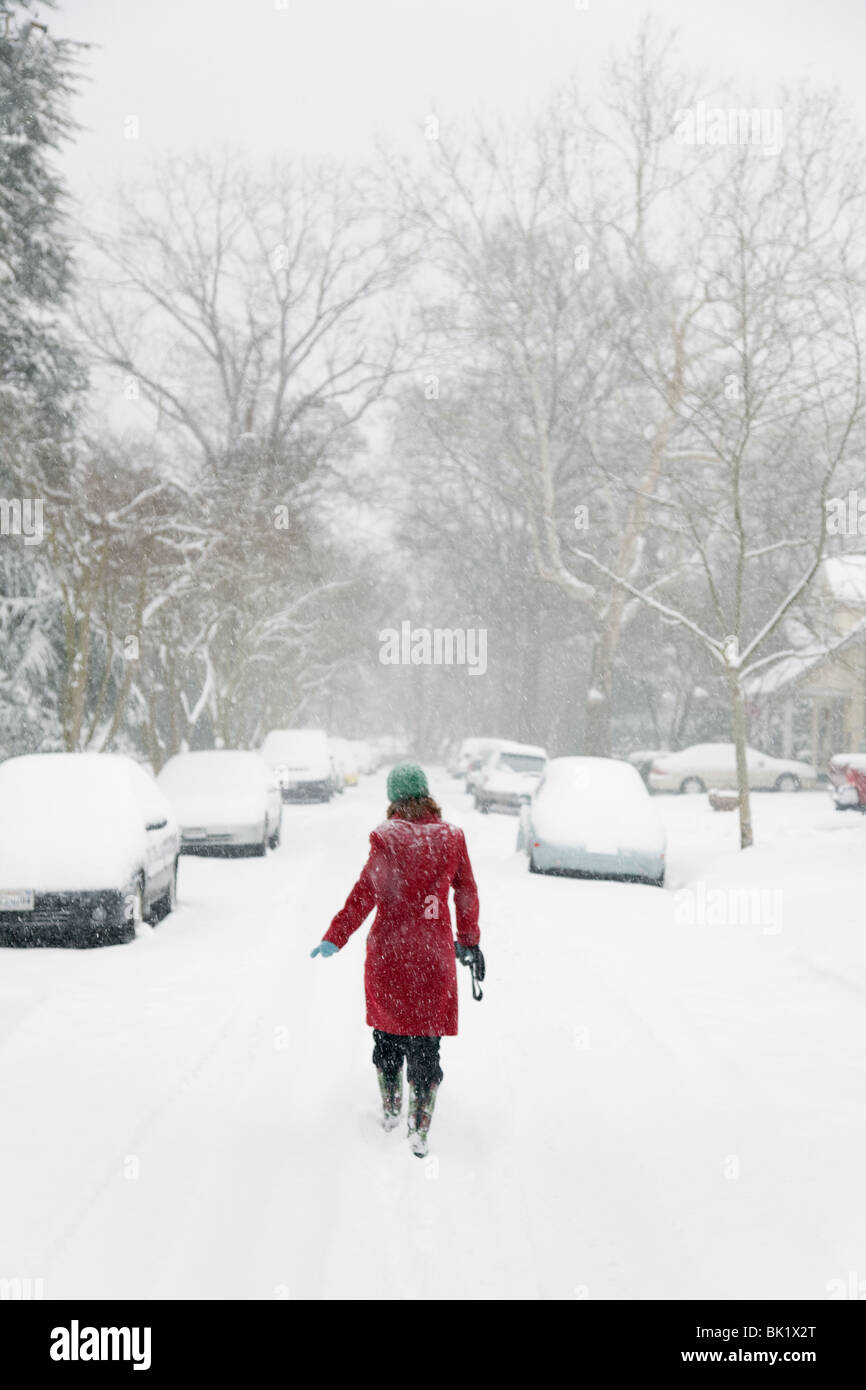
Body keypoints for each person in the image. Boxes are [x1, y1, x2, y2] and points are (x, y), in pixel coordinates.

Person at [311, 763, 481, 1156]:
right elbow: (466, 892)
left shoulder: (387, 839)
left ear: (393, 800)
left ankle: (390, 1111)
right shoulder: (452, 838)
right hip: (433, 956)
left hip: (391, 953)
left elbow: (364, 894)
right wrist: (469, 941)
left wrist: (335, 936)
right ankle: (419, 1128)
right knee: (426, 1043)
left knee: (388, 1037)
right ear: (427, 795)